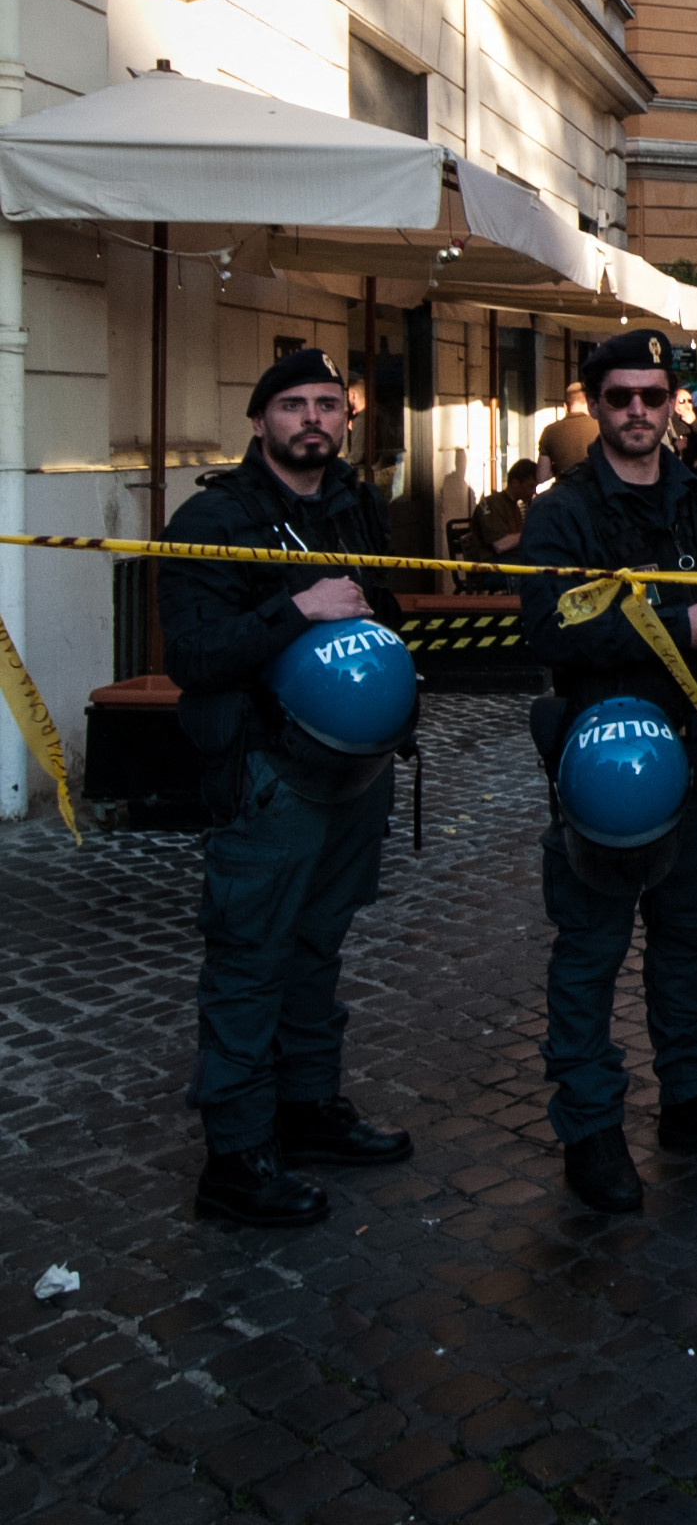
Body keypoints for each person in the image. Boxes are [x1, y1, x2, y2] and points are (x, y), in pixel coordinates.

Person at [514, 329, 697, 1213]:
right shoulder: (563, 510)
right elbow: (550, 627)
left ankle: (694, 1095)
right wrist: (684, 628)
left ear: (674, 403)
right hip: (604, 759)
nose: (639, 410)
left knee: (688, 935)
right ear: (593, 404)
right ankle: (591, 1127)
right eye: (621, 397)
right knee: (590, 946)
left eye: (653, 395)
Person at [159, 349, 418, 1226]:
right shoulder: (213, 516)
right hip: (268, 774)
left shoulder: (357, 502)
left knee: (318, 948)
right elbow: (191, 657)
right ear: (260, 419)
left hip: (355, 768)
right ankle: (235, 1155)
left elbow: (384, 610)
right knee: (250, 960)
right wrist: (294, 611)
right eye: (293, 404)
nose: (313, 418)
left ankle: (307, 1111)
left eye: (328, 405)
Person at [471, 459, 541, 559]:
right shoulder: (492, 503)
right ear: (515, 483)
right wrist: (534, 533)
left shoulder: (513, 505)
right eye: (530, 486)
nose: (533, 492)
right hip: (493, 566)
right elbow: (500, 545)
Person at [538, 380, 599, 476]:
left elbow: (542, 477)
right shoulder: (601, 428)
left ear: (565, 406)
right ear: (589, 404)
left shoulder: (549, 432)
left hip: (565, 488)